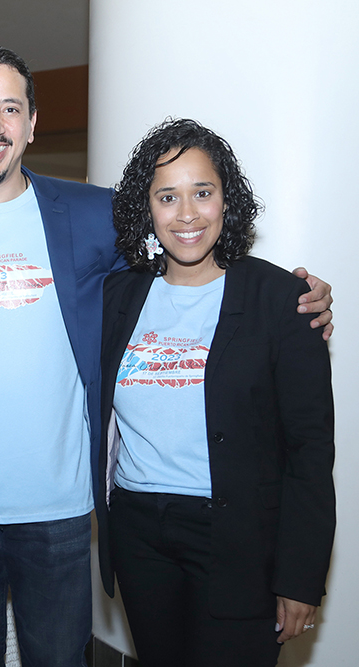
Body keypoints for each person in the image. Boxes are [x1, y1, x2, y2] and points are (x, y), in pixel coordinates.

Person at [0, 45, 334, 666]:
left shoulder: (93, 214)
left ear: (33, 124)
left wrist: (289, 295)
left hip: (60, 510)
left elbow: (187, 243)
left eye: (11, 108)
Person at [98, 118, 334, 667]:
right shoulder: (118, 295)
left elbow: (310, 448)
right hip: (138, 532)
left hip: (236, 536)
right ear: (147, 210)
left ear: (227, 200)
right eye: (167, 197)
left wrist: (301, 576)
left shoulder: (284, 298)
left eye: (202, 192)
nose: (186, 214)